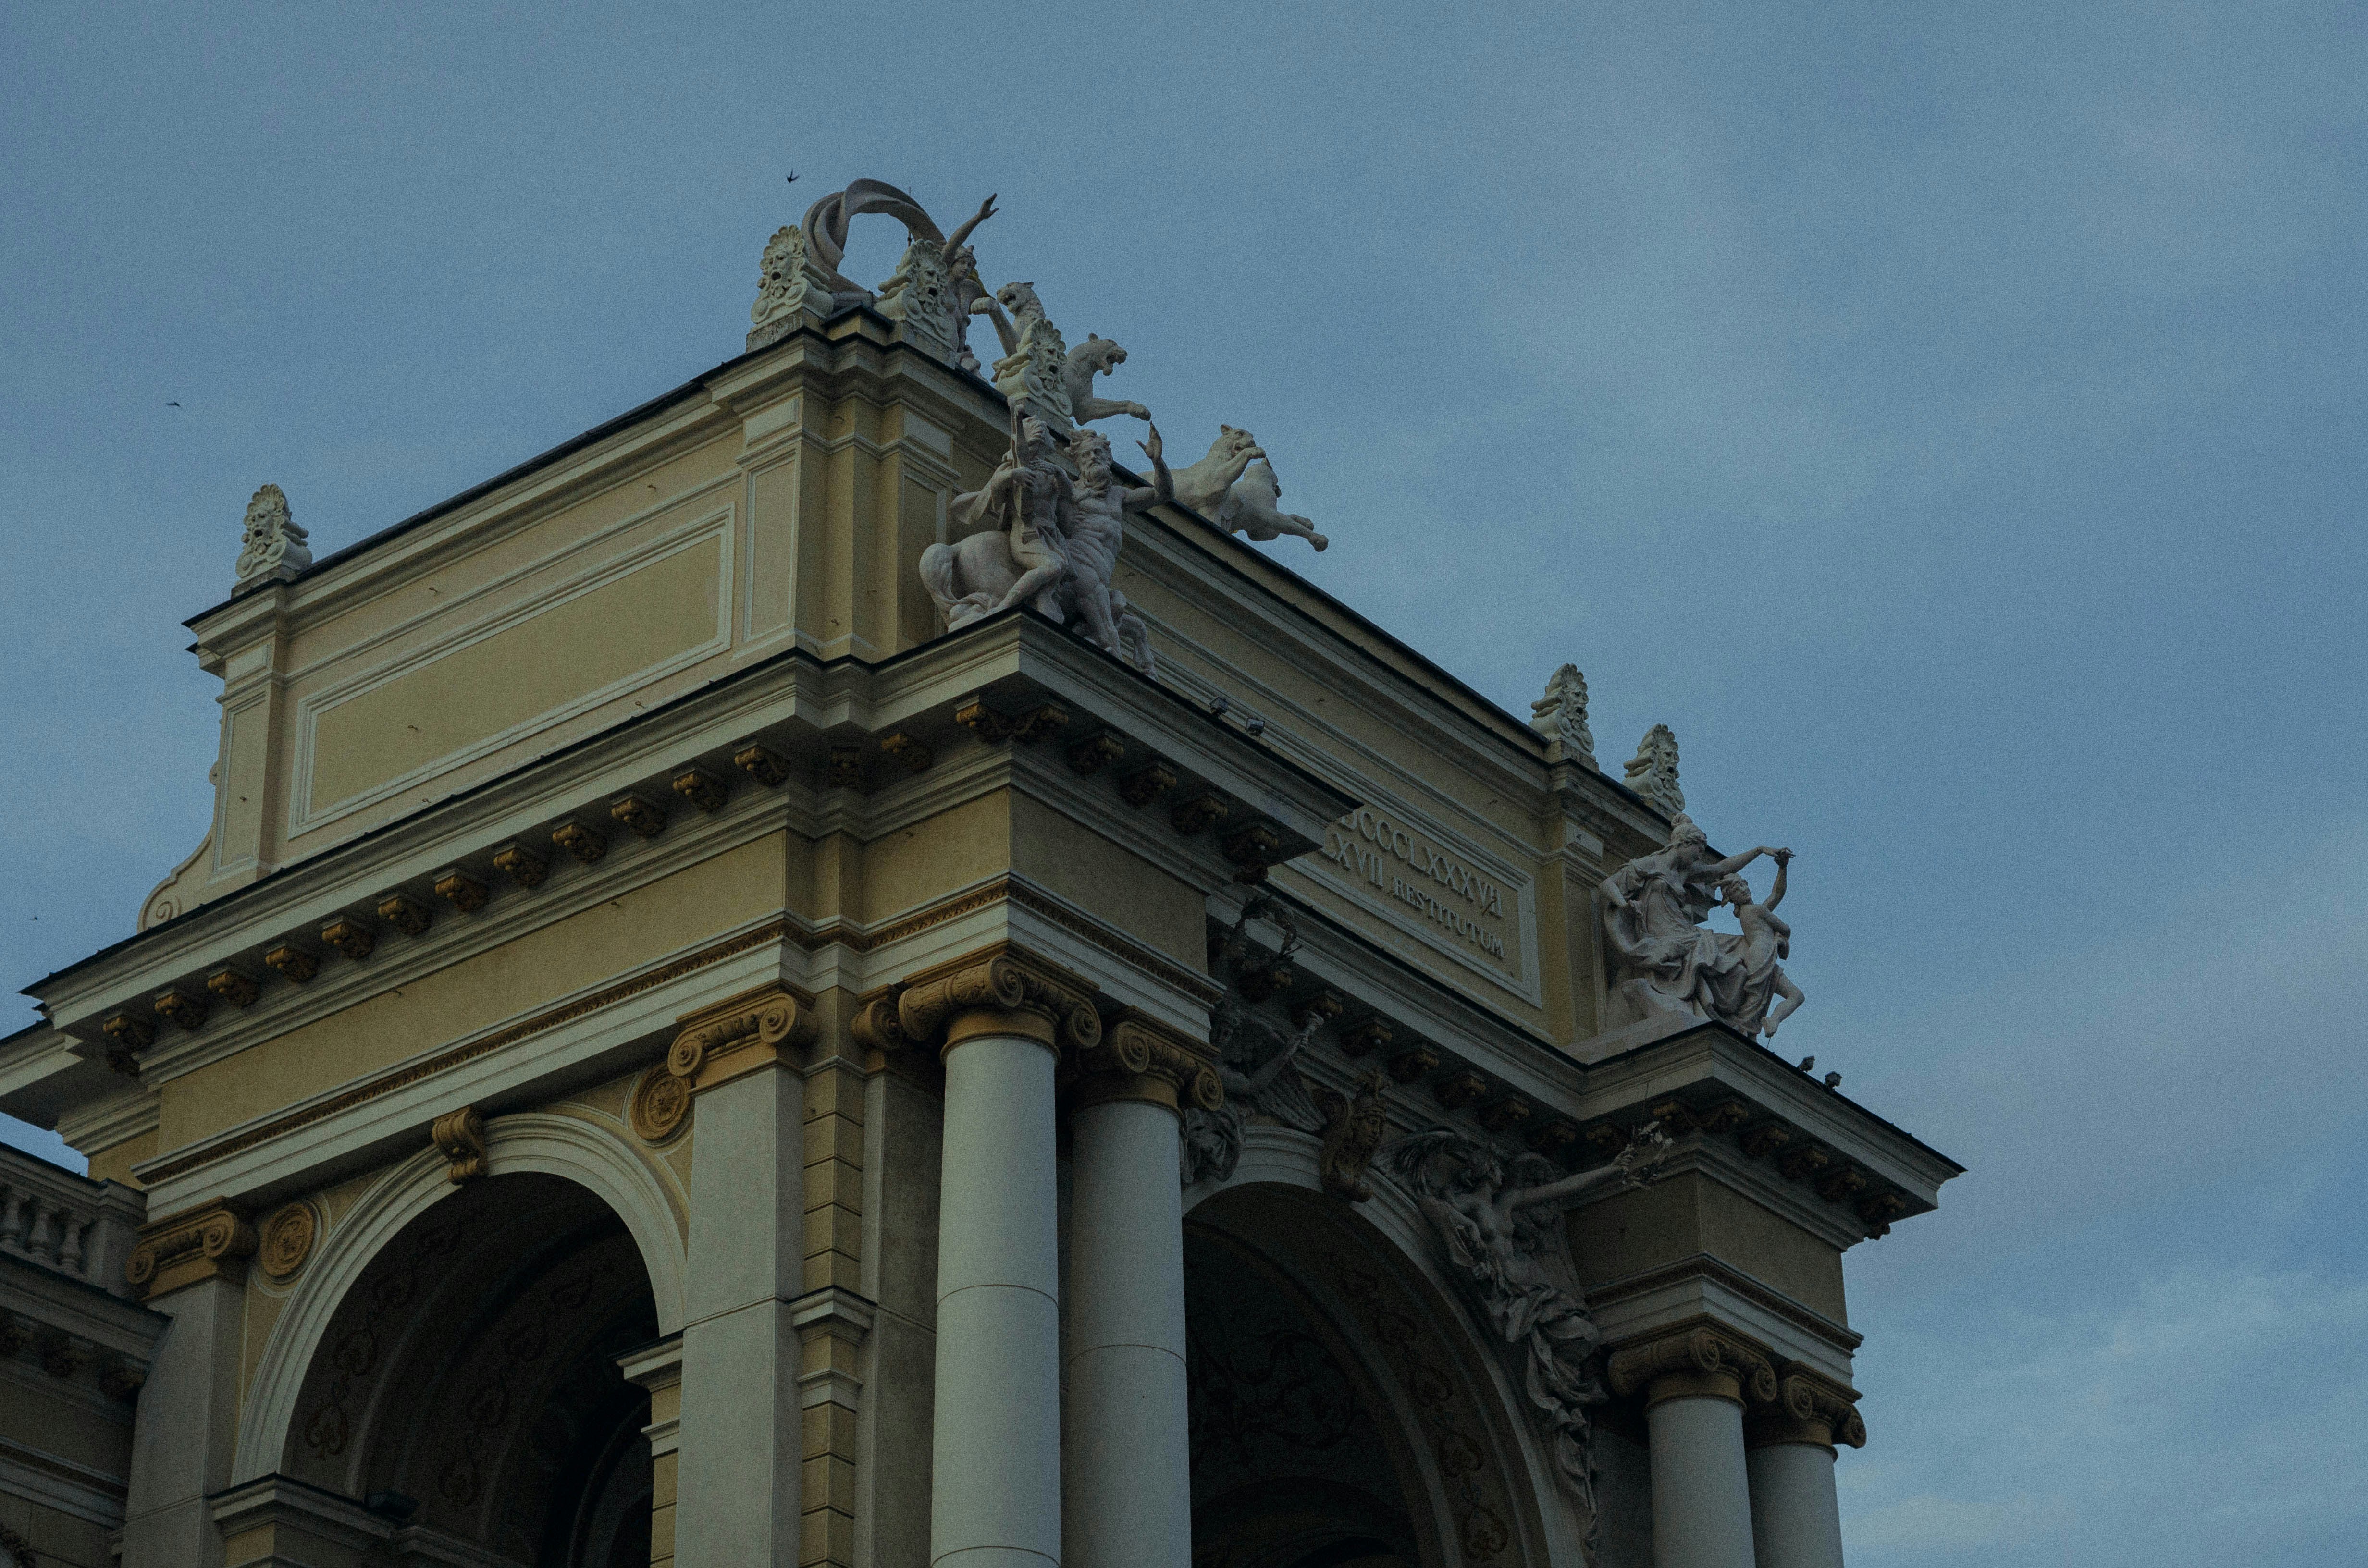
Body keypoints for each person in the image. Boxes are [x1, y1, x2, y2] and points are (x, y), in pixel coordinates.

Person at [1711, 850, 1806, 1037]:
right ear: (1732, 899)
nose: (1744, 889)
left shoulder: (1755, 911)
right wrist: (1781, 938)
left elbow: (1777, 894)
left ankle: (1772, 1021)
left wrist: (1782, 868)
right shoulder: (1755, 911)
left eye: (1743, 884)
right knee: (1753, 1005)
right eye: (1737, 889)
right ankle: (1743, 1033)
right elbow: (1786, 928)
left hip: (1763, 954)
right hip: (1760, 956)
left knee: (1796, 996)